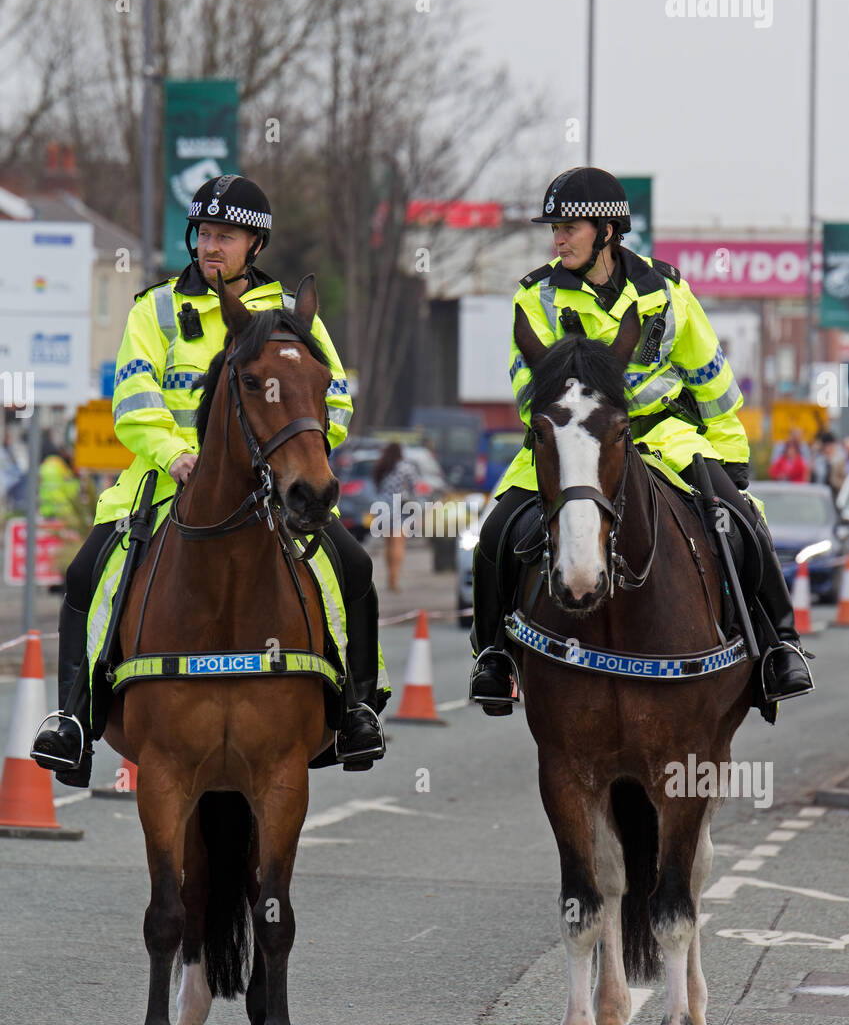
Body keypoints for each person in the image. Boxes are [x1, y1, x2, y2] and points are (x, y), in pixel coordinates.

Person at [31, 173, 385, 785]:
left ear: (256, 245)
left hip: (272, 491)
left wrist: (302, 459)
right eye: (204, 234)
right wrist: (175, 455)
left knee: (351, 567)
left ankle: (355, 708)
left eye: (227, 236)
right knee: (88, 573)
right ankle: (74, 720)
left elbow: (334, 399)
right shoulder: (156, 308)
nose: (210, 247)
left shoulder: (291, 316)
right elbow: (135, 397)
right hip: (166, 483)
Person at [469, 165, 813, 712]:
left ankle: (778, 646)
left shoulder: (667, 292)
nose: (557, 238)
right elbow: (527, 386)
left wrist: (732, 457)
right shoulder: (536, 298)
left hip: (663, 437)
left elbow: (713, 383)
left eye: (568, 228)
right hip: (570, 441)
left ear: (606, 232)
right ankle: (494, 655)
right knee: (496, 530)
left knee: (739, 516)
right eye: (554, 230)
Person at [371, 442, 417, 591]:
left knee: (388, 544)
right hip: (399, 507)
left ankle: (389, 576)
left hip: (382, 508)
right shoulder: (405, 467)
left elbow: (376, 487)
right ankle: (394, 579)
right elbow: (413, 485)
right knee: (398, 544)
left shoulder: (382, 467)